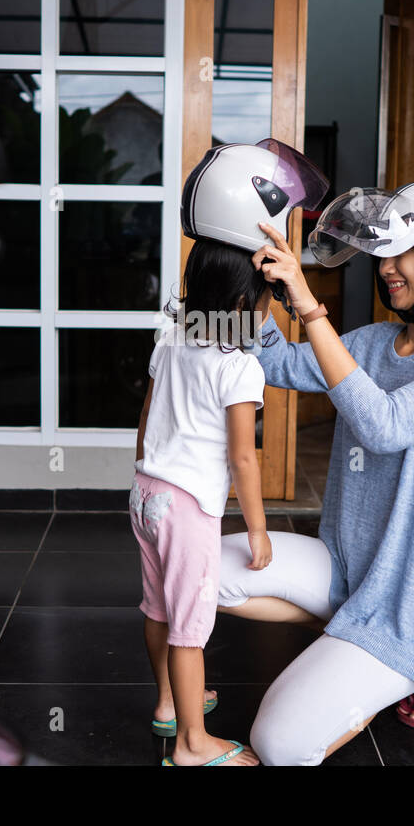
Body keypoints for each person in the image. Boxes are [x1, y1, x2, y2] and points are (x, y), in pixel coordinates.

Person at [214, 180, 414, 766]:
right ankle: (353, 646)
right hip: (347, 566)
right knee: (197, 570)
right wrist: (268, 289)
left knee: (278, 744)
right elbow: (274, 360)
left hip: (412, 594)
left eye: (406, 254)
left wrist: (308, 304)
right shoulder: (374, 341)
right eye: (384, 254)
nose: (388, 268)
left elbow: (386, 425)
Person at [131, 139, 330, 767]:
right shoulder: (240, 368)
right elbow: (244, 461)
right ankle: (193, 745)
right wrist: (260, 530)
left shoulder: (172, 339)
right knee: (192, 627)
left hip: (146, 493)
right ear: (249, 304)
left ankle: (168, 705)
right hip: (189, 506)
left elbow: (145, 421)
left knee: (157, 606)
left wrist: (147, 470)